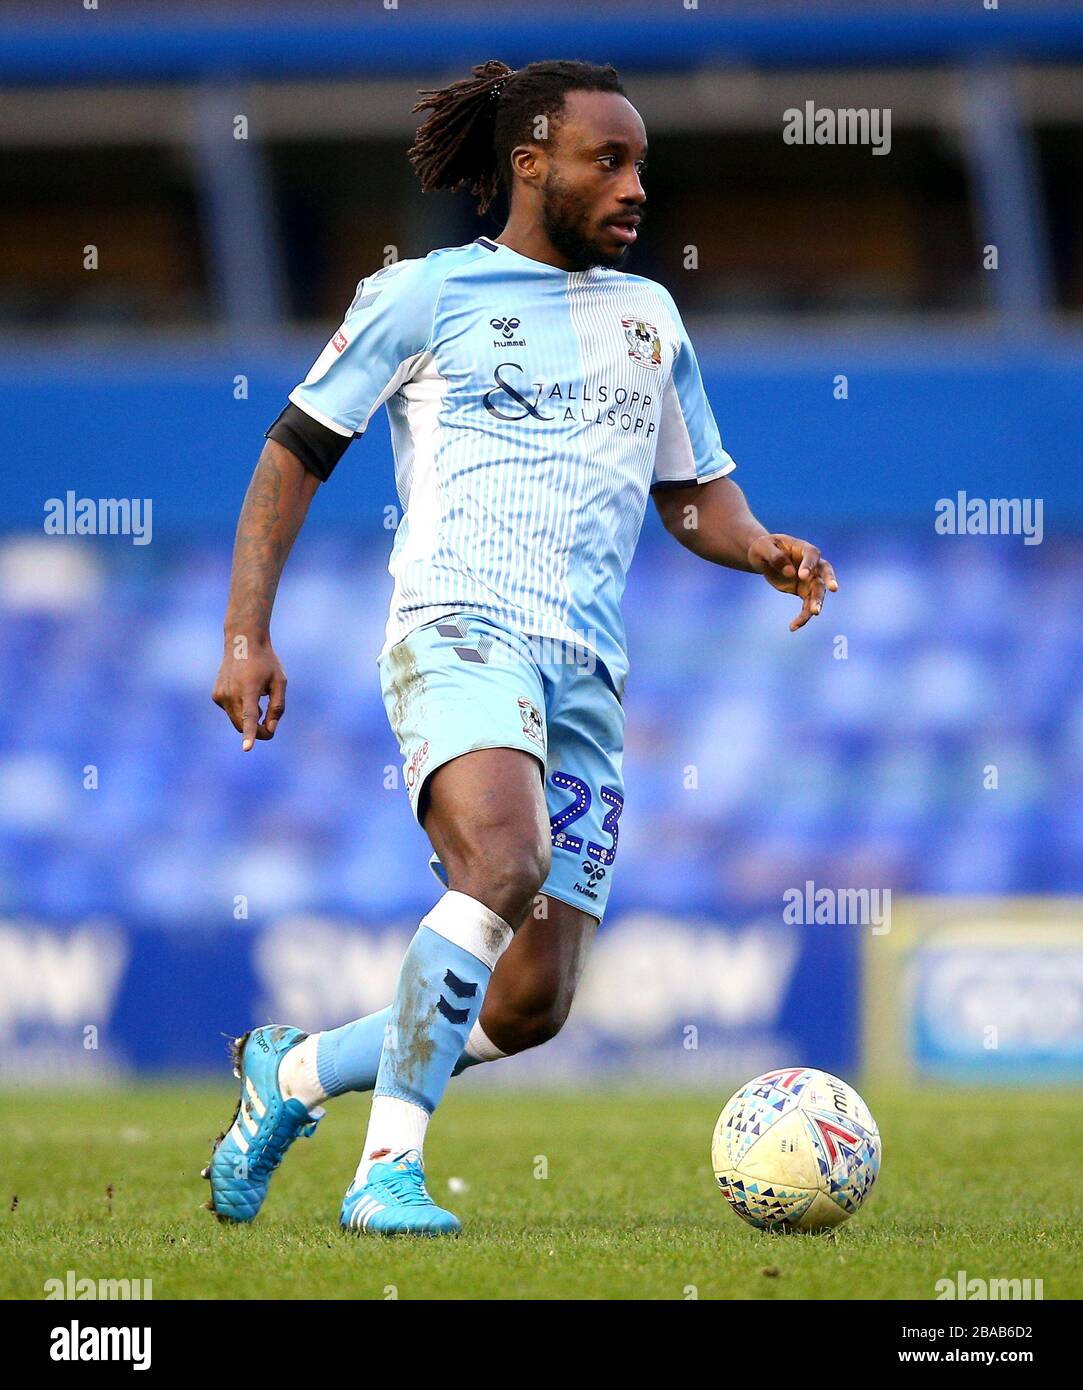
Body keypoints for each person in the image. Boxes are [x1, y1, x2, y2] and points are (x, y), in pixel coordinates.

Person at [205, 58, 837, 1236]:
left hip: (586, 671)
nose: (636, 184)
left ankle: (287, 1076)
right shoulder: (422, 297)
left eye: (643, 162)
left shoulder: (650, 319)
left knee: (535, 996)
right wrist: (248, 633)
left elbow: (693, 493)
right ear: (530, 164)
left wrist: (761, 550)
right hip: (457, 627)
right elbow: (293, 449)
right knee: (503, 861)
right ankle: (383, 1174)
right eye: (611, 159)